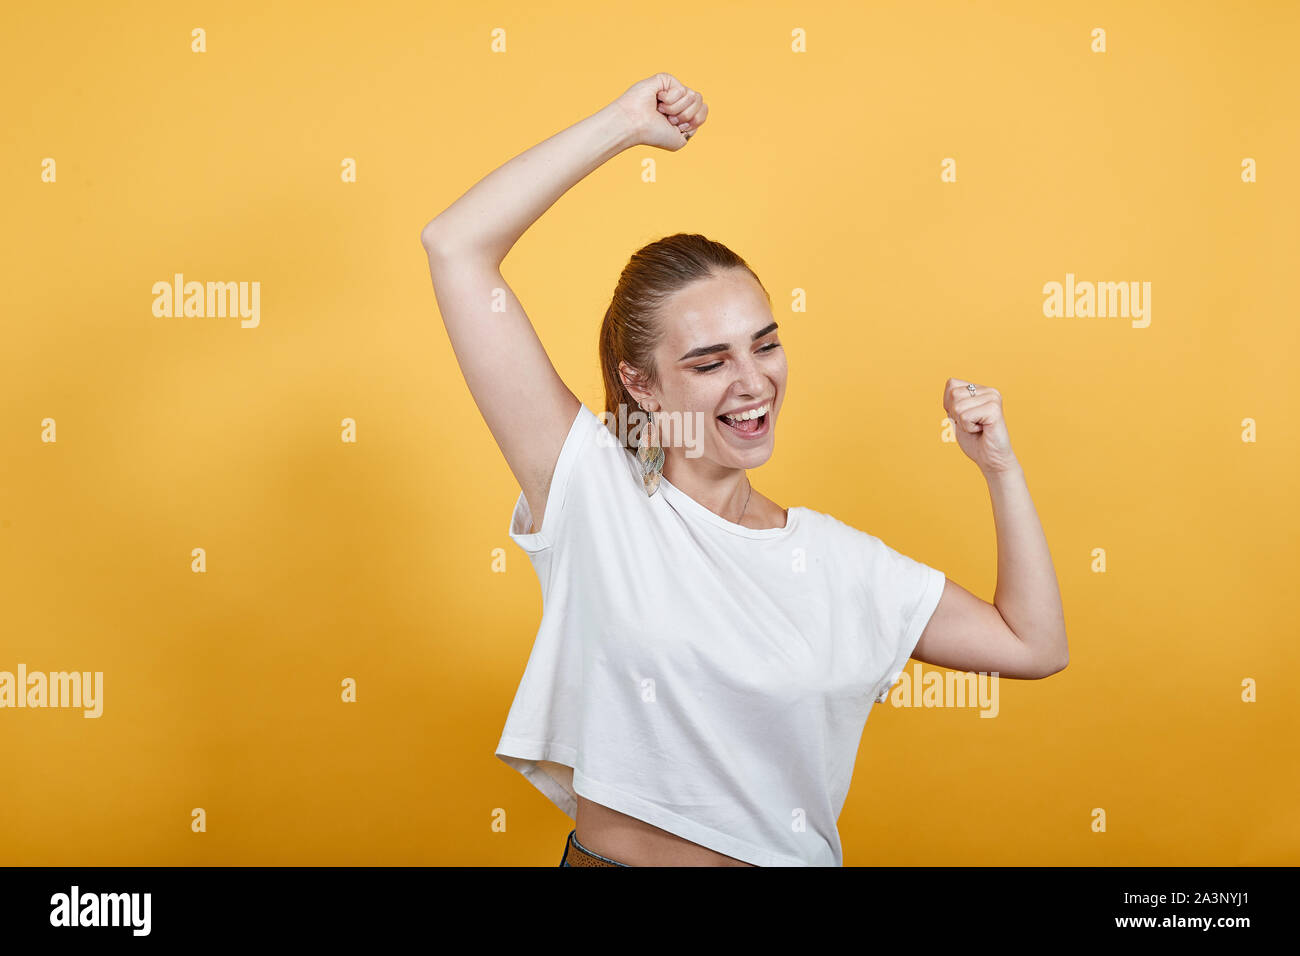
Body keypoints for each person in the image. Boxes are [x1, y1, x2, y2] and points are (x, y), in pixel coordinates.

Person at [420, 73, 1069, 867]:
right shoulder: (597, 493)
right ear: (640, 383)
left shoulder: (838, 562)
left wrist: (1000, 468)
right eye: (709, 360)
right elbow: (456, 246)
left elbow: (1033, 645)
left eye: (764, 344)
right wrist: (623, 125)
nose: (752, 381)